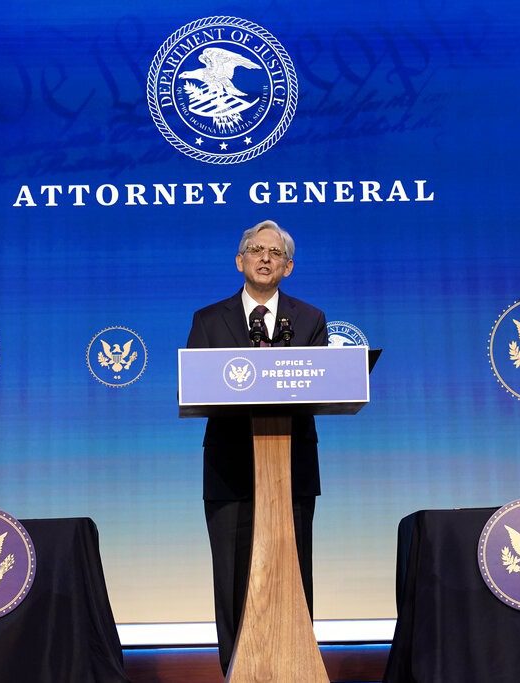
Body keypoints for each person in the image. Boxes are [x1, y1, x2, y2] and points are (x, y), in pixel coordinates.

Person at [186, 219, 328, 674]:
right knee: (232, 580)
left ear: (287, 267)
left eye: (274, 252)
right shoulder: (208, 321)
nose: (264, 257)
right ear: (239, 261)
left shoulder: (309, 320)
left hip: (292, 472)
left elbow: (323, 389)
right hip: (229, 472)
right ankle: (237, 671)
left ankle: (294, 667)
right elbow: (192, 390)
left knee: (293, 577)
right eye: (255, 249)